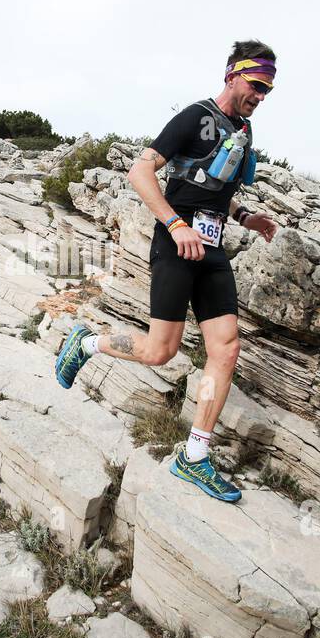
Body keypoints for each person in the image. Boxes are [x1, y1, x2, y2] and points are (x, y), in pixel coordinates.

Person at [54, 39, 279, 503]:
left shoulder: (242, 129)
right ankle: (87, 342)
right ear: (232, 75)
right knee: (161, 351)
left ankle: (194, 456)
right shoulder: (193, 117)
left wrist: (244, 218)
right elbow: (142, 172)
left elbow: (211, 184)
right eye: (256, 84)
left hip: (212, 248)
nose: (261, 95)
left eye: (268, 89)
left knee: (226, 347)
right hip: (177, 245)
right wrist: (176, 225)